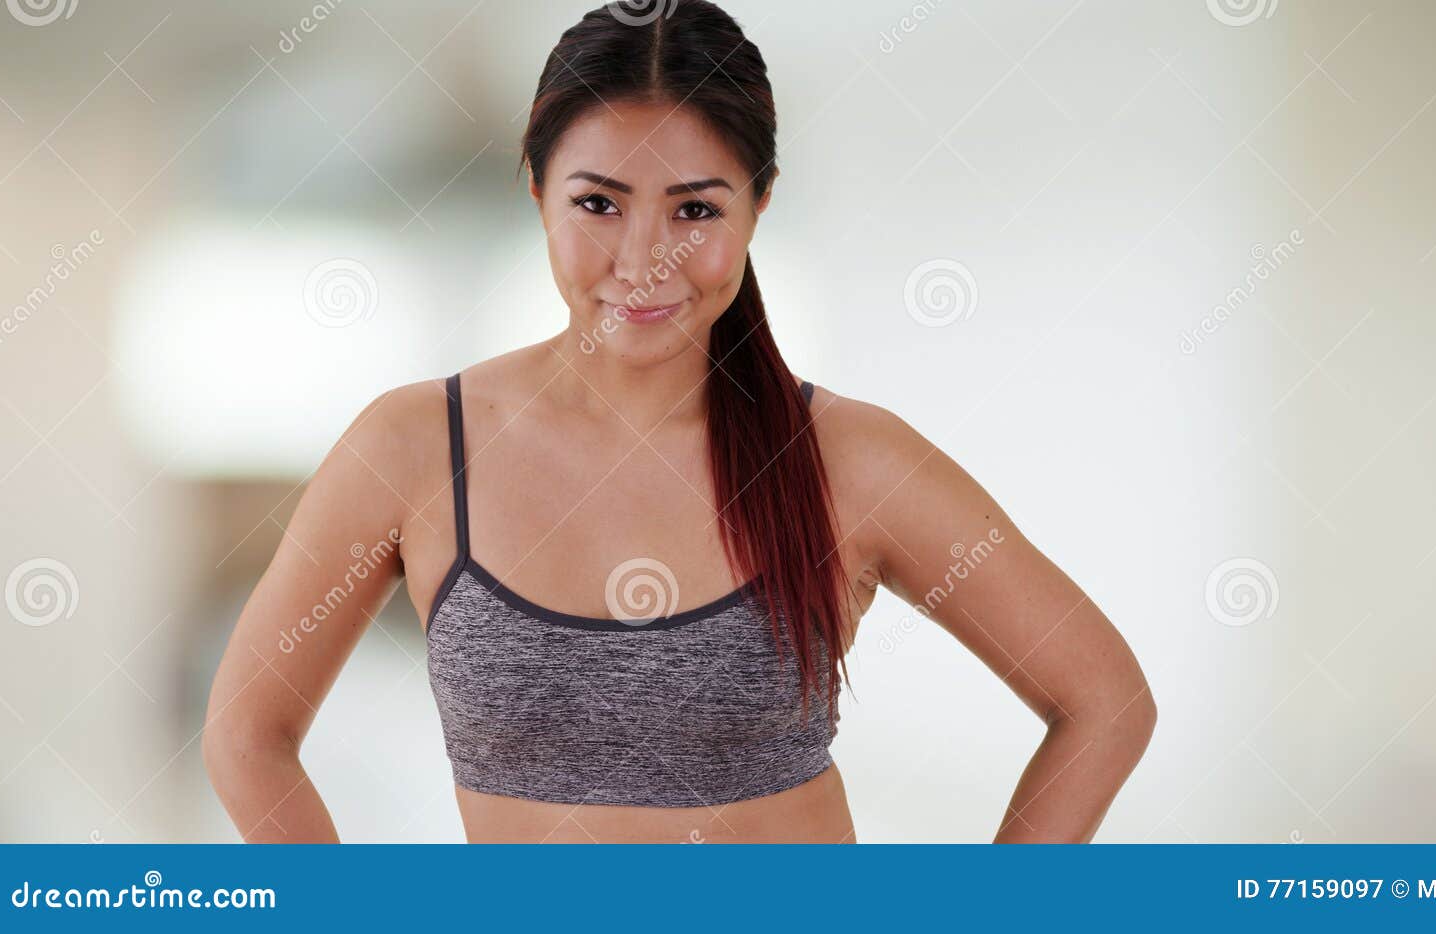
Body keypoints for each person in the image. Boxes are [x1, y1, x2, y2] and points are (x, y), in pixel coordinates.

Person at [203, 0, 1155, 844]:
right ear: (535, 191)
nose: (645, 260)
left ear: (759, 206)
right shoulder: (411, 448)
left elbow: (1104, 702)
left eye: (695, 208)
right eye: (598, 205)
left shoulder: (851, 461)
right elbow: (248, 735)